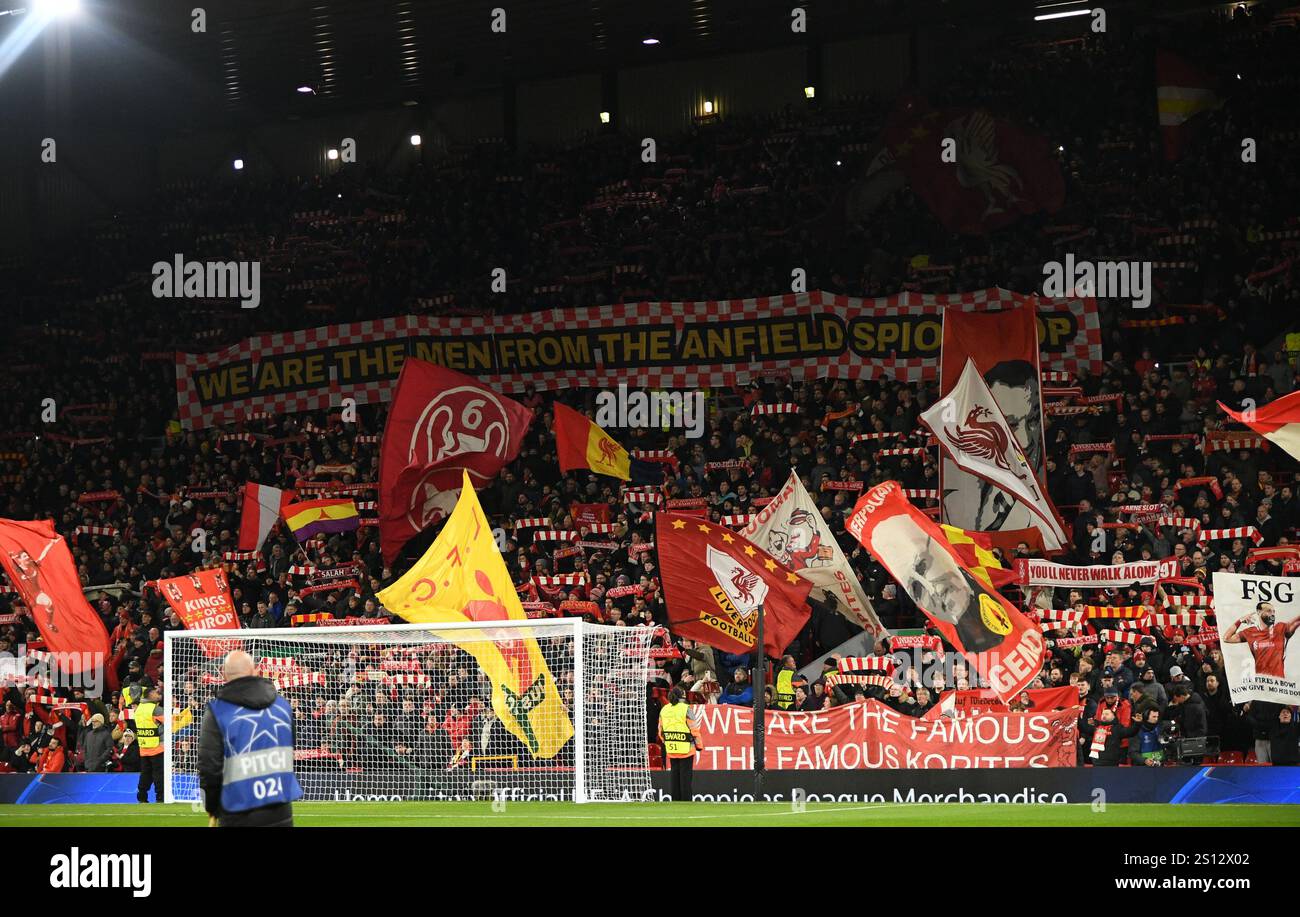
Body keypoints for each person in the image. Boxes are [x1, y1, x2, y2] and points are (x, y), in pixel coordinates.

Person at [198, 650, 302, 827]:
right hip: (281, 808)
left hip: (238, 810)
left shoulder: (218, 711)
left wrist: (212, 806)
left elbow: (209, 766)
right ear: (255, 670)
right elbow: (290, 746)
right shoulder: (283, 706)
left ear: (222, 673)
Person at [1224, 601, 1300, 679]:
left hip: (1278, 684)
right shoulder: (1250, 632)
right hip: (1261, 684)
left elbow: (1297, 621)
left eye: (1274, 611)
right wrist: (1240, 621)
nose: (1272, 614)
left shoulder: (1281, 628)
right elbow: (1227, 638)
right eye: (1269, 611)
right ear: (1259, 612)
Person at [657, 687, 702, 801]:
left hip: (672, 748)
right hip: (686, 748)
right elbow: (694, 729)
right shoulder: (686, 709)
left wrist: (667, 741)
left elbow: (660, 731)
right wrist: (699, 745)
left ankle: (675, 802)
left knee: (674, 777)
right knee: (685, 779)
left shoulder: (664, 709)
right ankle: (686, 803)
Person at [132, 685, 165, 802]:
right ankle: (160, 797)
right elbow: (171, 723)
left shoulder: (139, 709)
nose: (159, 695)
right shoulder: (155, 709)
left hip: (143, 747)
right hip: (157, 746)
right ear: (151, 695)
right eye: (156, 693)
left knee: (145, 773)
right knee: (159, 774)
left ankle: (142, 796)